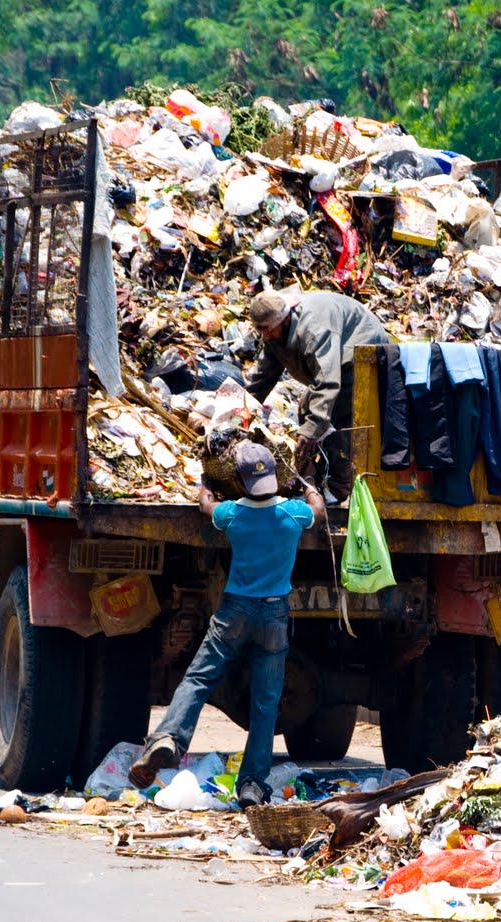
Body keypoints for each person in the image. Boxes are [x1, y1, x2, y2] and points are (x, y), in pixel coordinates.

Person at [130, 442, 326, 807]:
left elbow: (206, 506)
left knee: (200, 677)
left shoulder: (235, 514)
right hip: (273, 616)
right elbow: (319, 510)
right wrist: (308, 482)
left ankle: (168, 738)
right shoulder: (293, 514)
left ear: (240, 481)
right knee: (266, 702)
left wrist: (205, 481)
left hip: (234, 613)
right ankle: (252, 783)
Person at [245, 289, 391, 499]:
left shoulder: (314, 330)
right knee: (308, 407)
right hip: (334, 357)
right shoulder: (274, 334)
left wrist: (311, 430)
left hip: (361, 348)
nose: (264, 335)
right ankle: (317, 474)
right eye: (260, 330)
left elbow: (328, 381)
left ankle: (340, 486)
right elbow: (263, 377)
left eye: (268, 329)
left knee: (338, 415)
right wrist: (239, 410)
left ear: (284, 320)